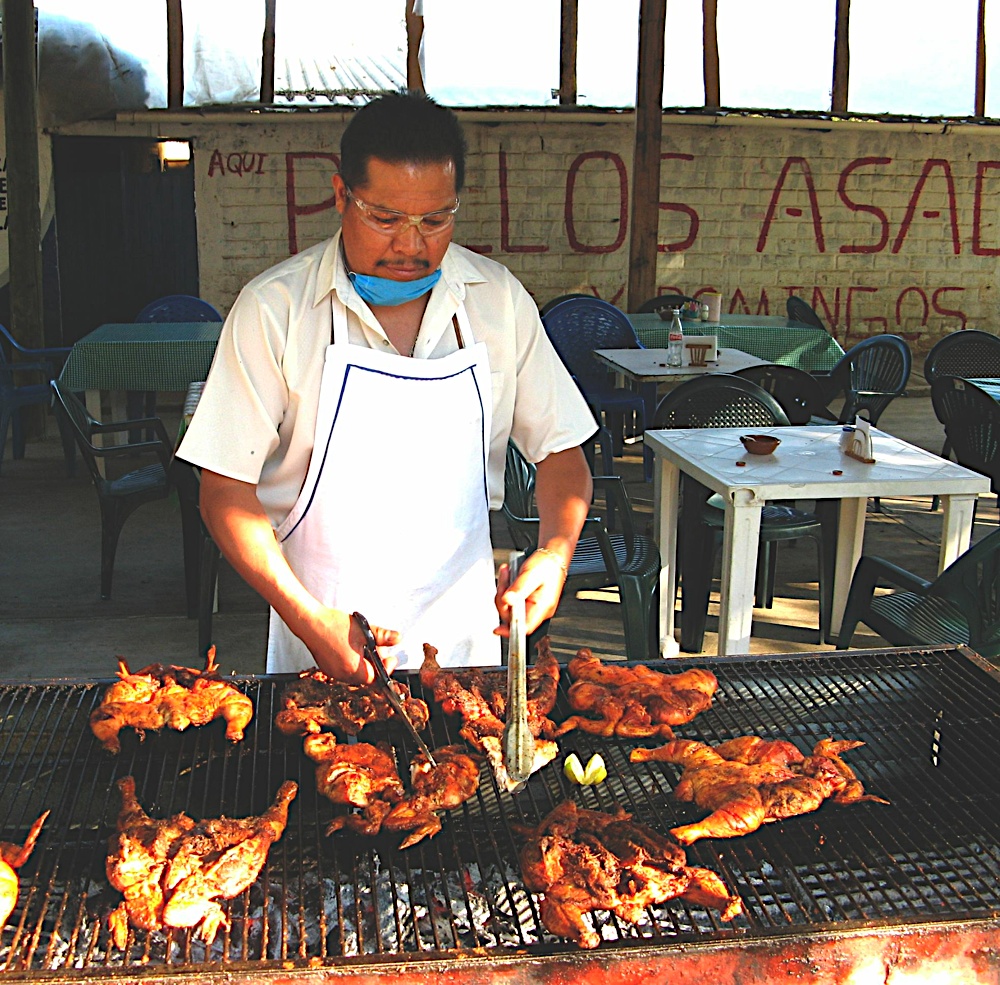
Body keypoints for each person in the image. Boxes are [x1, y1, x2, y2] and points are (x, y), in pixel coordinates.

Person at [177, 91, 596, 685]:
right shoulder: (276, 310)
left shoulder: (496, 300)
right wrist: (306, 618)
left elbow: (562, 454)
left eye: (436, 220)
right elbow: (223, 488)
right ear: (340, 195)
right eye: (386, 219)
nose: (411, 245)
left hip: (464, 646)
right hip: (323, 642)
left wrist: (554, 555)